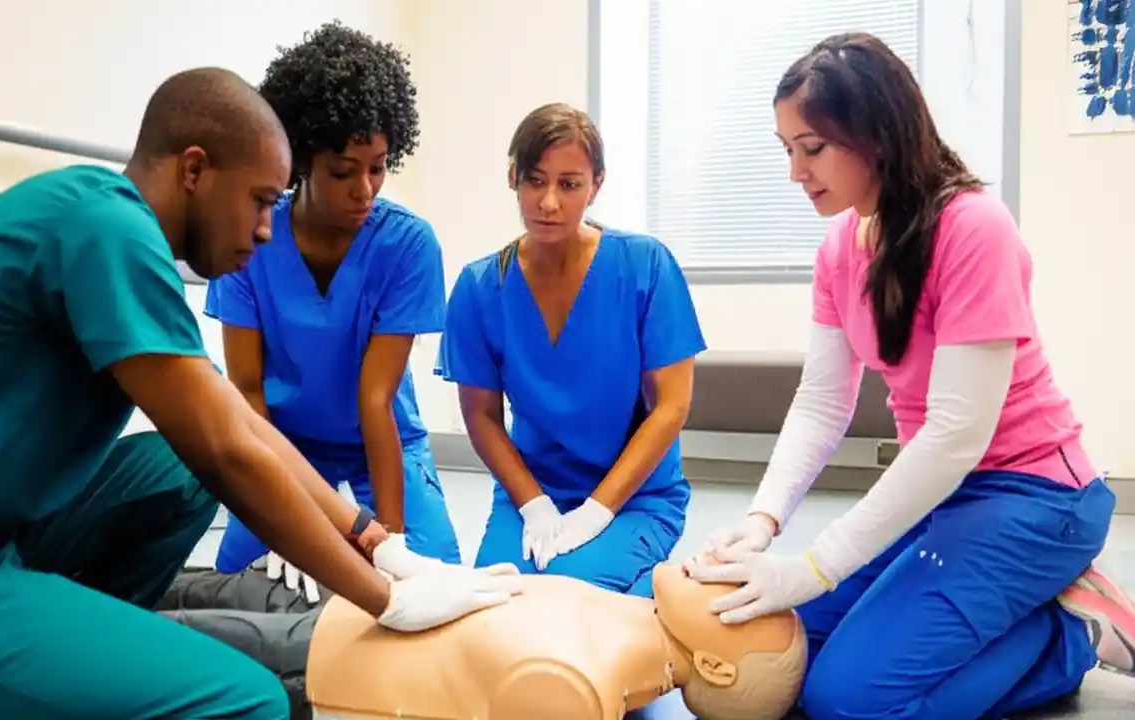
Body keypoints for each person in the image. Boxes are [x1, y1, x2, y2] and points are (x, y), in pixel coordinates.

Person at [0, 67, 521, 720]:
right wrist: (386, 600)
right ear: (194, 170)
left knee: (171, 473)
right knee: (247, 701)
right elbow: (228, 450)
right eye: (260, 200)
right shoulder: (106, 230)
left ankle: (82, 654)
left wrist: (377, 543)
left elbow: (230, 419)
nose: (266, 229)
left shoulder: (103, 219)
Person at [686, 32, 1135, 720]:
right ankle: (1009, 611)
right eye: (787, 150)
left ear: (878, 136)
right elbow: (822, 402)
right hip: (942, 496)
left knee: (848, 701)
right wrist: (761, 521)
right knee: (788, 646)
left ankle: (1065, 635)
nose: (795, 172)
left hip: (1036, 499)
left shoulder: (974, 228)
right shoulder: (840, 249)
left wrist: (814, 567)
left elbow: (955, 434)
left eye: (812, 148)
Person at [207, 21, 462, 583]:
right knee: (234, 584)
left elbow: (377, 399)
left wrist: (391, 543)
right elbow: (247, 392)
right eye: (343, 172)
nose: (365, 189)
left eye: (378, 168)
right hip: (283, 446)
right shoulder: (252, 235)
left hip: (382, 446)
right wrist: (284, 516)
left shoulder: (407, 244)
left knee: (433, 577)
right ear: (301, 161)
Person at [435, 103, 707, 598]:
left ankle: (655, 594)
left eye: (569, 184)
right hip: (532, 490)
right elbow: (481, 417)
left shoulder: (644, 266)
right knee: (499, 599)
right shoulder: (480, 287)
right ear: (513, 178)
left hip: (636, 495)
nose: (549, 202)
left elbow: (672, 406)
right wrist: (533, 505)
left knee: (570, 594)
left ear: (596, 185)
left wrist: (597, 511)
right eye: (535, 181)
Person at [159, 556, 807, 720]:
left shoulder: (579, 691)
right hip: (357, 606)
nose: (729, 570)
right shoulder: (627, 614)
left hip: (320, 664)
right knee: (167, 578)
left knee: (148, 638)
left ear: (716, 669)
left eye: (741, 599)